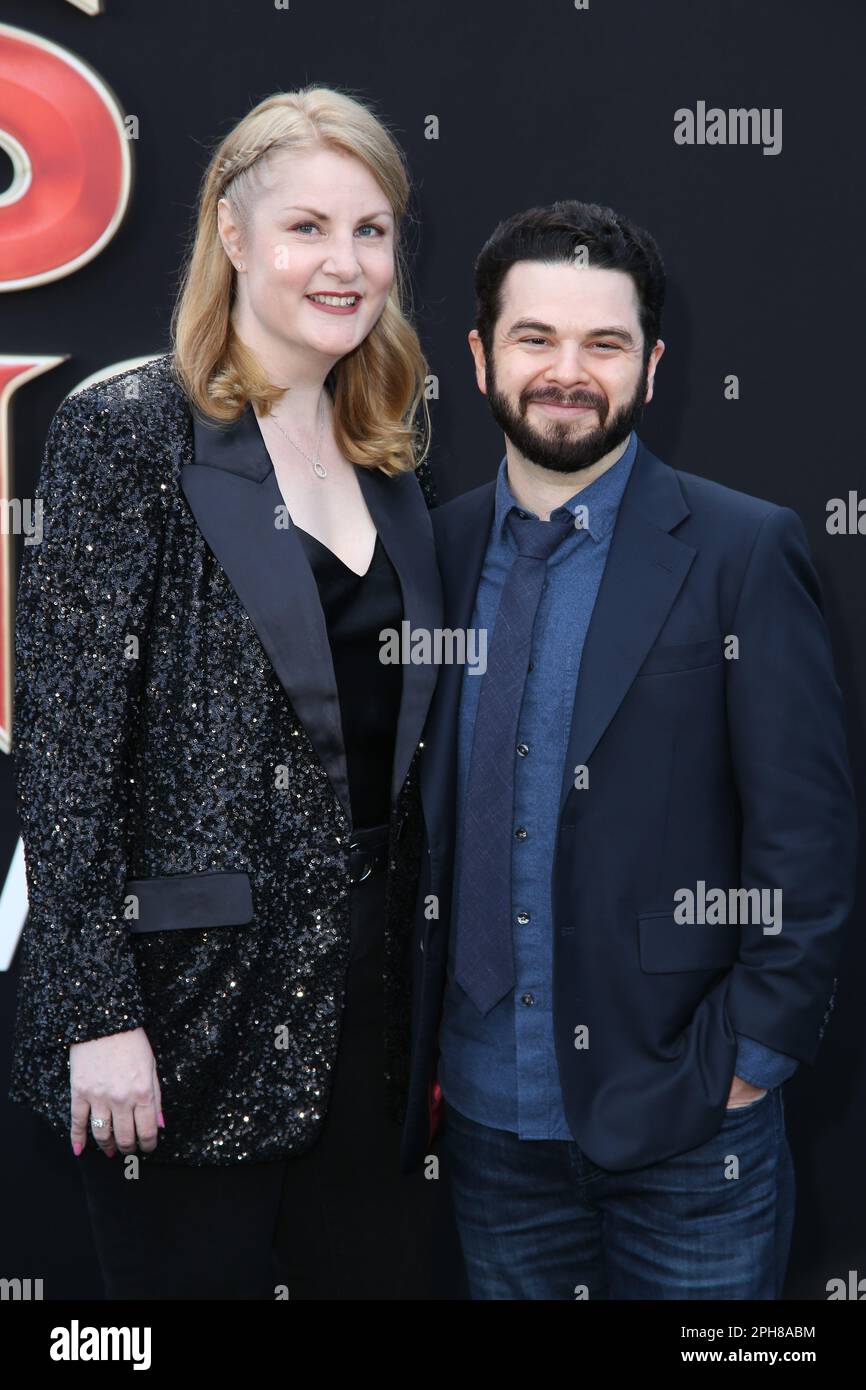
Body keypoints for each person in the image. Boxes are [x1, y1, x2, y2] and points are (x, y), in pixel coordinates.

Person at [9, 84, 451, 1300]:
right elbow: (63, 753)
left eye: (370, 231)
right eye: (306, 226)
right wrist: (96, 1015)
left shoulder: (393, 450)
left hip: (368, 1023)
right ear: (232, 232)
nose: (344, 262)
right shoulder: (130, 433)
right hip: (181, 1015)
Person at [400, 199, 858, 1299]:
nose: (568, 371)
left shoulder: (743, 550)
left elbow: (805, 833)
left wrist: (748, 1061)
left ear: (650, 366)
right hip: (483, 1130)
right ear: (477, 356)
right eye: (534, 338)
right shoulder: (428, 552)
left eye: (602, 343)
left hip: (689, 1128)